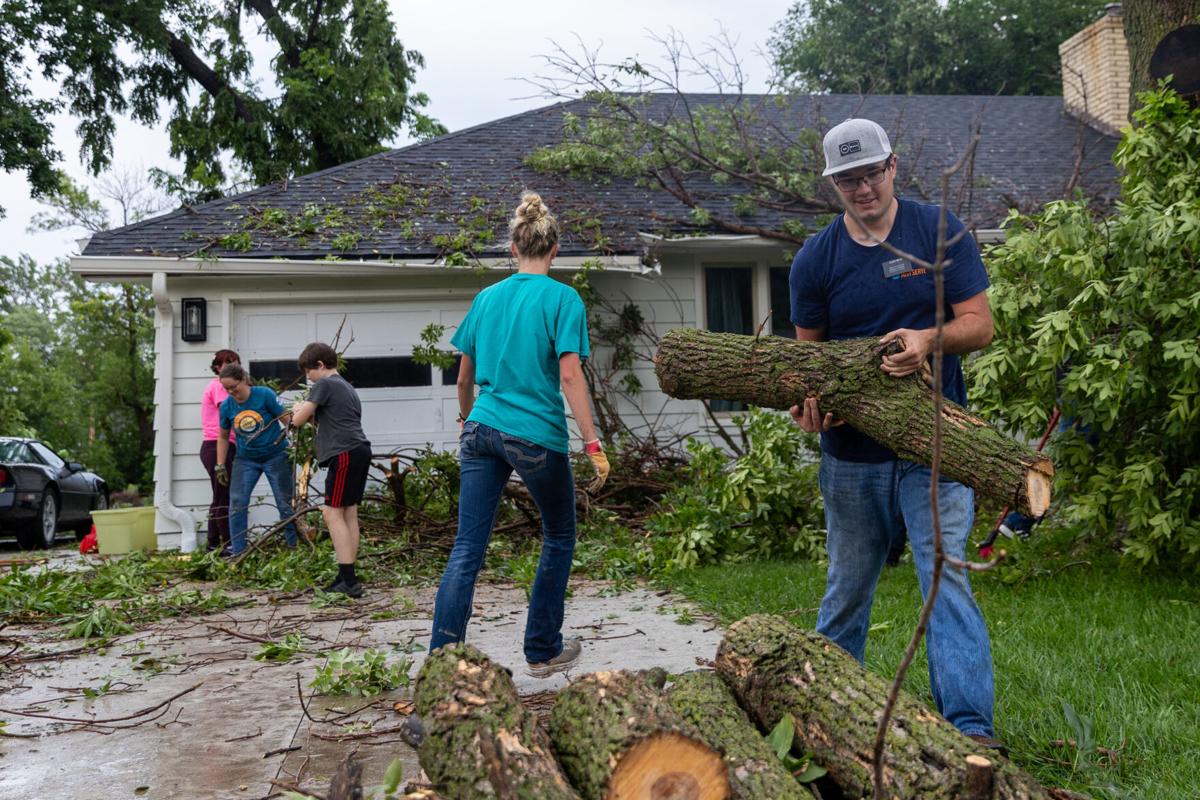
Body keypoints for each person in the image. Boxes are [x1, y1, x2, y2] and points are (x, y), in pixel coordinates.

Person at [789, 118, 1004, 750]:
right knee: (849, 589)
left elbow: (981, 324)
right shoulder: (815, 260)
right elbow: (810, 365)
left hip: (938, 446)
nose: (862, 189)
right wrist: (810, 408)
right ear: (833, 183)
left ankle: (969, 729)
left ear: (893, 166)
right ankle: (822, 721)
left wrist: (928, 340)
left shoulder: (938, 231)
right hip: (851, 455)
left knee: (945, 577)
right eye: (847, 179)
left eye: (870, 174)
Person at [429, 192, 610, 678]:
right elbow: (570, 377)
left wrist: (468, 420)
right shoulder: (563, 299)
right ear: (553, 250)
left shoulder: (487, 298)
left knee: (467, 547)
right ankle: (542, 648)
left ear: (514, 248)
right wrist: (593, 444)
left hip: (483, 427)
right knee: (559, 534)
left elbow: (464, 377)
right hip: (534, 434)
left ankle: (441, 669)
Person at [290, 342, 372, 598]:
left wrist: (296, 410)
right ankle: (347, 575)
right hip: (358, 450)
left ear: (320, 366)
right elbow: (329, 419)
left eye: (308, 372)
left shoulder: (324, 384)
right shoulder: (346, 387)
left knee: (331, 513)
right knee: (348, 513)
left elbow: (297, 421)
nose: (308, 378)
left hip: (344, 454)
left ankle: (348, 579)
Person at [215, 363, 299, 555]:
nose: (231, 392)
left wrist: (298, 441)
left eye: (233, 387)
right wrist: (220, 464)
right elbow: (223, 436)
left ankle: (293, 548)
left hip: (275, 455)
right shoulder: (227, 406)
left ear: (243, 380)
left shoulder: (264, 395)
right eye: (226, 389)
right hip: (245, 460)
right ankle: (239, 552)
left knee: (284, 501)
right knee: (237, 502)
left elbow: (287, 420)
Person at [200, 349, 240, 553]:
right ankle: (228, 542)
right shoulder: (219, 387)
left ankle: (214, 543)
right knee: (223, 495)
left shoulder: (229, 387)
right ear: (217, 367)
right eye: (227, 363)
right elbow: (232, 410)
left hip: (226, 445)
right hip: (216, 447)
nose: (233, 366)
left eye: (236, 363)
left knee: (219, 495)